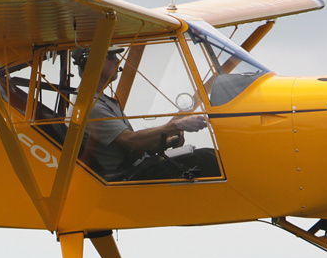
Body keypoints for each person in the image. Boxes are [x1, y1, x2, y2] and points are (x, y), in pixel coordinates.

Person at [72, 47, 218, 181]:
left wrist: (166, 142)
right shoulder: (91, 105)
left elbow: (132, 147)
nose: (117, 60)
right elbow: (131, 141)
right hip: (127, 175)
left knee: (211, 156)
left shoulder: (102, 100)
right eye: (110, 56)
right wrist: (175, 125)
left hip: (137, 165)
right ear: (91, 63)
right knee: (208, 160)